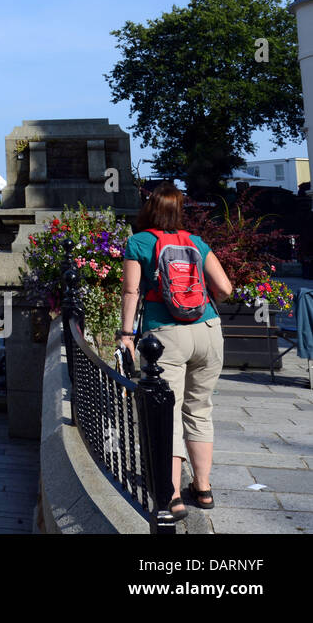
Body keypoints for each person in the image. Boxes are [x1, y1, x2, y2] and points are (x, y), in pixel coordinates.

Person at [120, 183, 231, 521]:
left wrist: (126, 335)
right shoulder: (196, 242)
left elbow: (131, 291)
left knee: (167, 412)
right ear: (178, 211)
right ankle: (203, 487)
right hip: (208, 331)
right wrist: (199, 306)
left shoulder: (139, 242)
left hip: (165, 337)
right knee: (200, 409)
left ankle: (172, 497)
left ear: (149, 209)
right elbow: (225, 288)